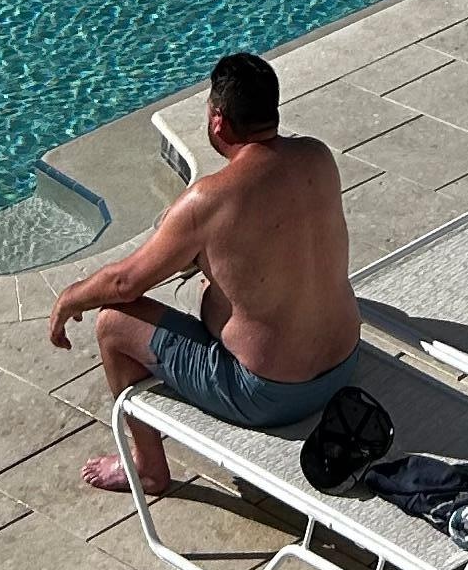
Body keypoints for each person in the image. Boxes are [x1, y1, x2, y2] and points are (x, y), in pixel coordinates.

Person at [52, 52, 366, 496]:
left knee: (112, 324)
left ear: (218, 122)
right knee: (216, 285)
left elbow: (126, 284)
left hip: (269, 393)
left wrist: (70, 298)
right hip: (344, 362)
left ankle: (147, 468)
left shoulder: (208, 201)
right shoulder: (317, 157)